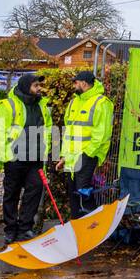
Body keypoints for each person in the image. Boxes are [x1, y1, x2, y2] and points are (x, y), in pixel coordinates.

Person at [0, 74, 53, 245]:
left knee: (34, 191)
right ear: (25, 86)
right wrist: (5, 157)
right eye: (36, 86)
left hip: (35, 158)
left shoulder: (42, 105)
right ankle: (11, 229)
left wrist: (47, 149)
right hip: (14, 158)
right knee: (11, 194)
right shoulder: (8, 105)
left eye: (39, 86)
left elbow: (48, 129)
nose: (39, 89)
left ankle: (24, 228)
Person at [55, 70, 114, 218]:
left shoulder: (101, 103)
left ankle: (91, 227)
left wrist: (88, 154)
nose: (74, 85)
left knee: (83, 191)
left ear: (84, 83)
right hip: (72, 157)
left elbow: (102, 133)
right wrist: (64, 156)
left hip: (87, 154)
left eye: (75, 82)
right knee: (74, 192)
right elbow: (69, 132)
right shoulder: (75, 101)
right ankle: (77, 225)